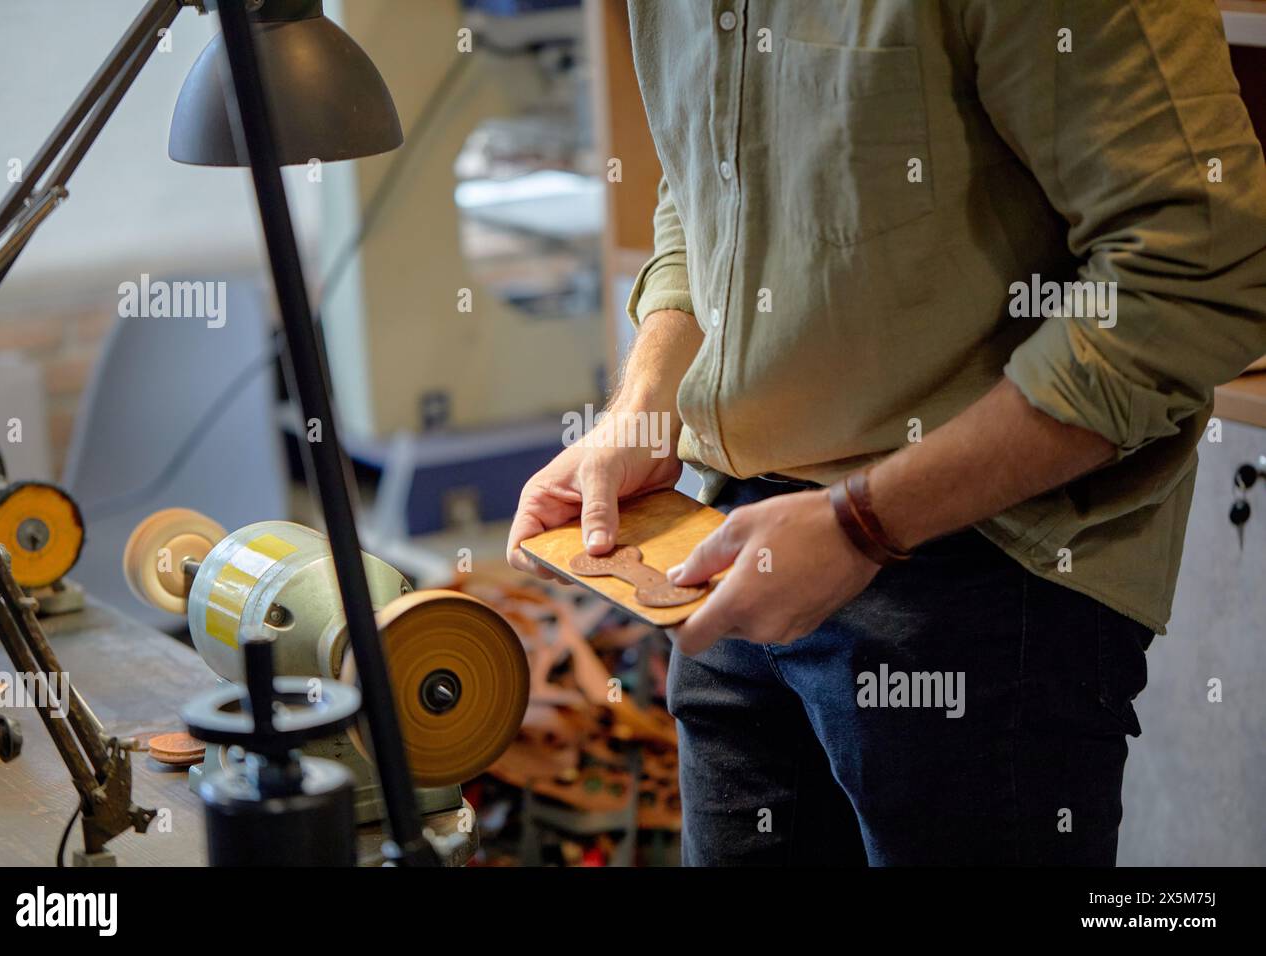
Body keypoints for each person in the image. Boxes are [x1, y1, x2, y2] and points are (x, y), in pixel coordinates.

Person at [507, 0, 1266, 865]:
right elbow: (707, 188)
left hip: (984, 576)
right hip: (738, 547)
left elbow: (1201, 271)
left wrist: (863, 519)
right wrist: (644, 409)